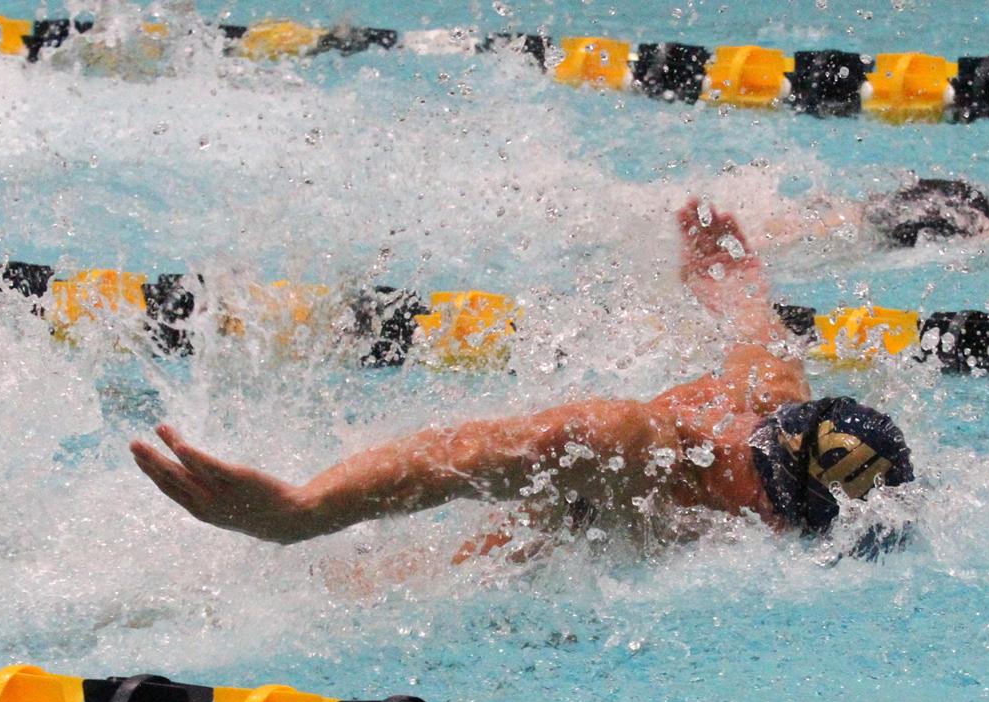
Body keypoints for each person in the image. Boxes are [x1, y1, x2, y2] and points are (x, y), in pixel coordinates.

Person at [130, 200, 914, 558]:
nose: (780, 525)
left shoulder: (778, 417)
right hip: (505, 558)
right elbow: (474, 449)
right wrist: (302, 512)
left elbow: (750, 316)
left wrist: (724, 273)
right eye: (775, 495)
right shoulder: (651, 446)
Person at [754, 177, 989, 252]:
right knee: (851, 221)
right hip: (925, 209)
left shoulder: (987, 210)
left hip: (926, 202)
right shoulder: (985, 220)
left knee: (851, 215)